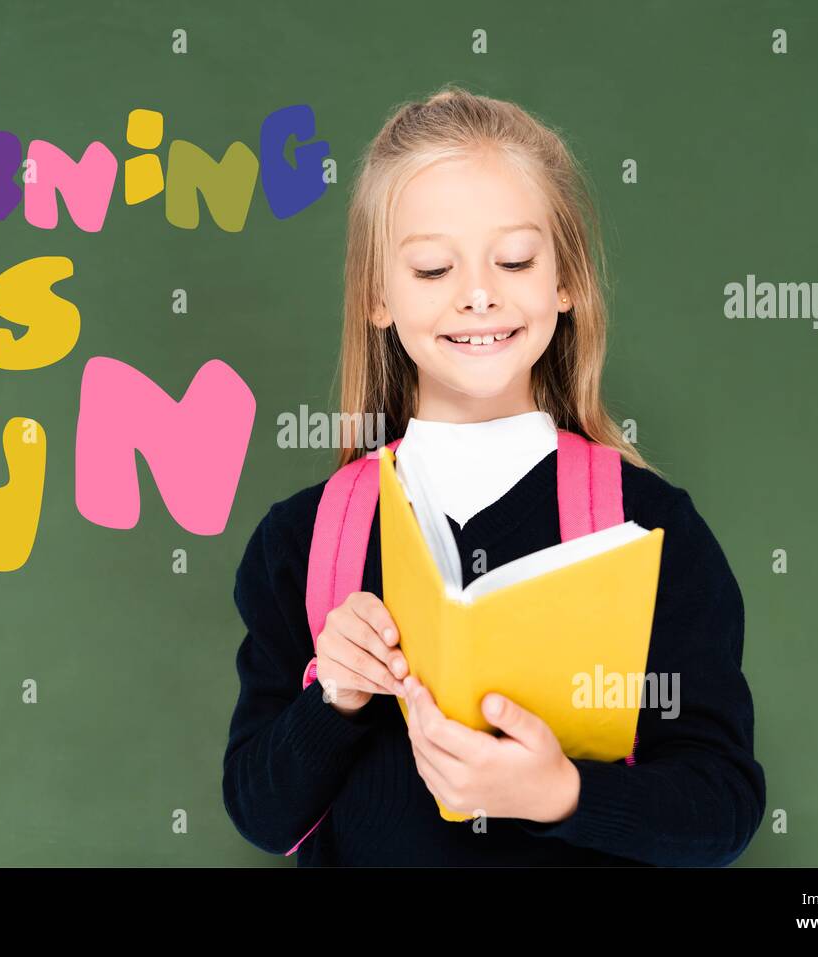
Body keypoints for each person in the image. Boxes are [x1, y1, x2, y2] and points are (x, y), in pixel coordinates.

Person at [222, 85, 765, 866]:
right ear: (379, 295)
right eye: (434, 267)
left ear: (563, 280)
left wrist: (562, 793)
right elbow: (261, 815)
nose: (479, 293)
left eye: (514, 259)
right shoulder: (301, 542)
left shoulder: (649, 529)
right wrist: (332, 698)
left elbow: (724, 808)